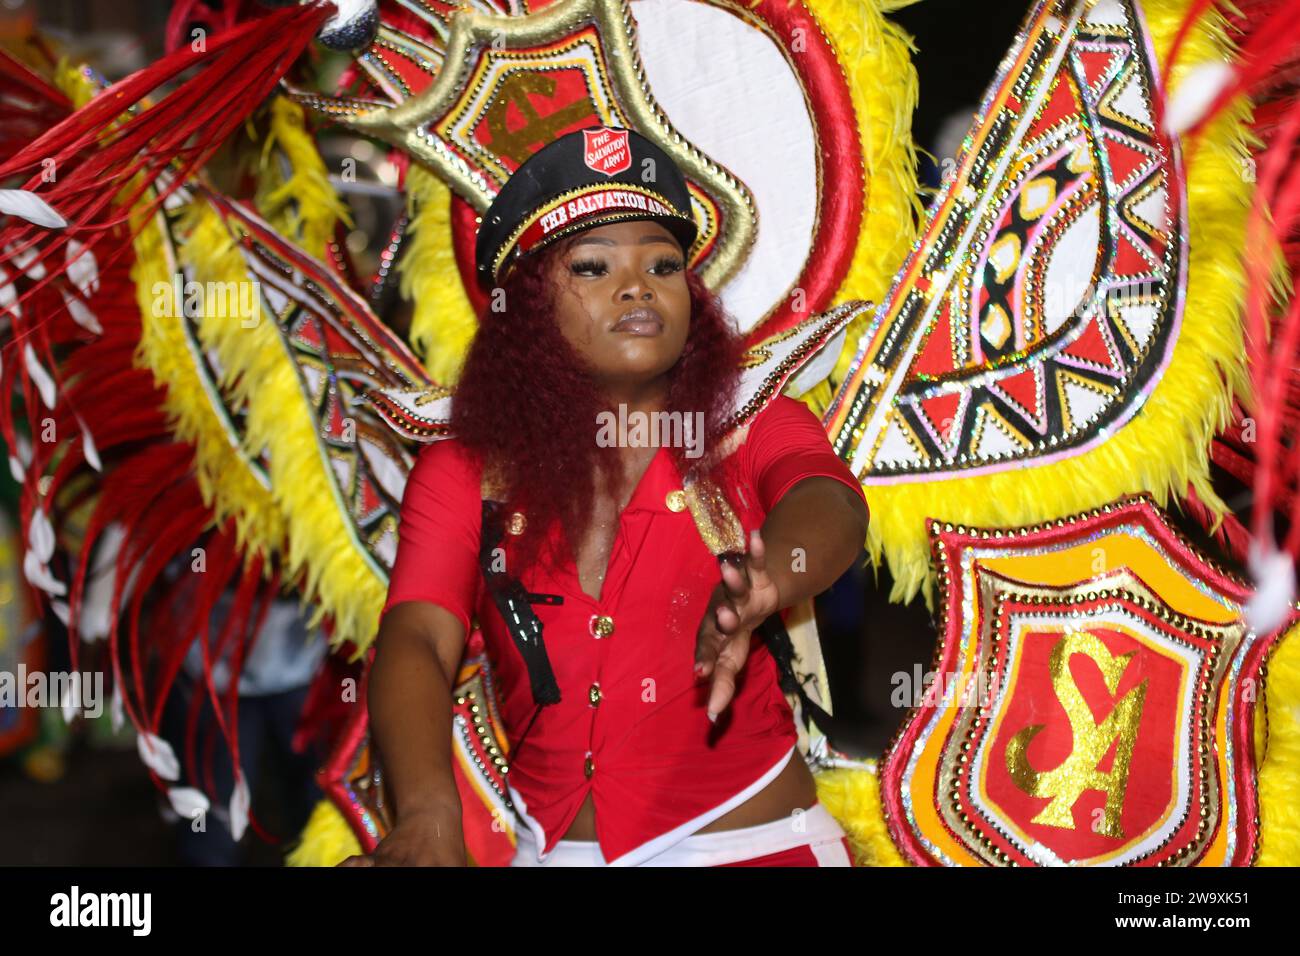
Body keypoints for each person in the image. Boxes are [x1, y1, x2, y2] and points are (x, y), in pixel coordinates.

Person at [342, 126, 869, 867]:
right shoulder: (465, 465)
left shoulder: (748, 421)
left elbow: (830, 502)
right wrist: (428, 814)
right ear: (526, 312)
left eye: (663, 265)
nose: (637, 286)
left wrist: (771, 578)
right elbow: (419, 637)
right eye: (592, 267)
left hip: (751, 847)